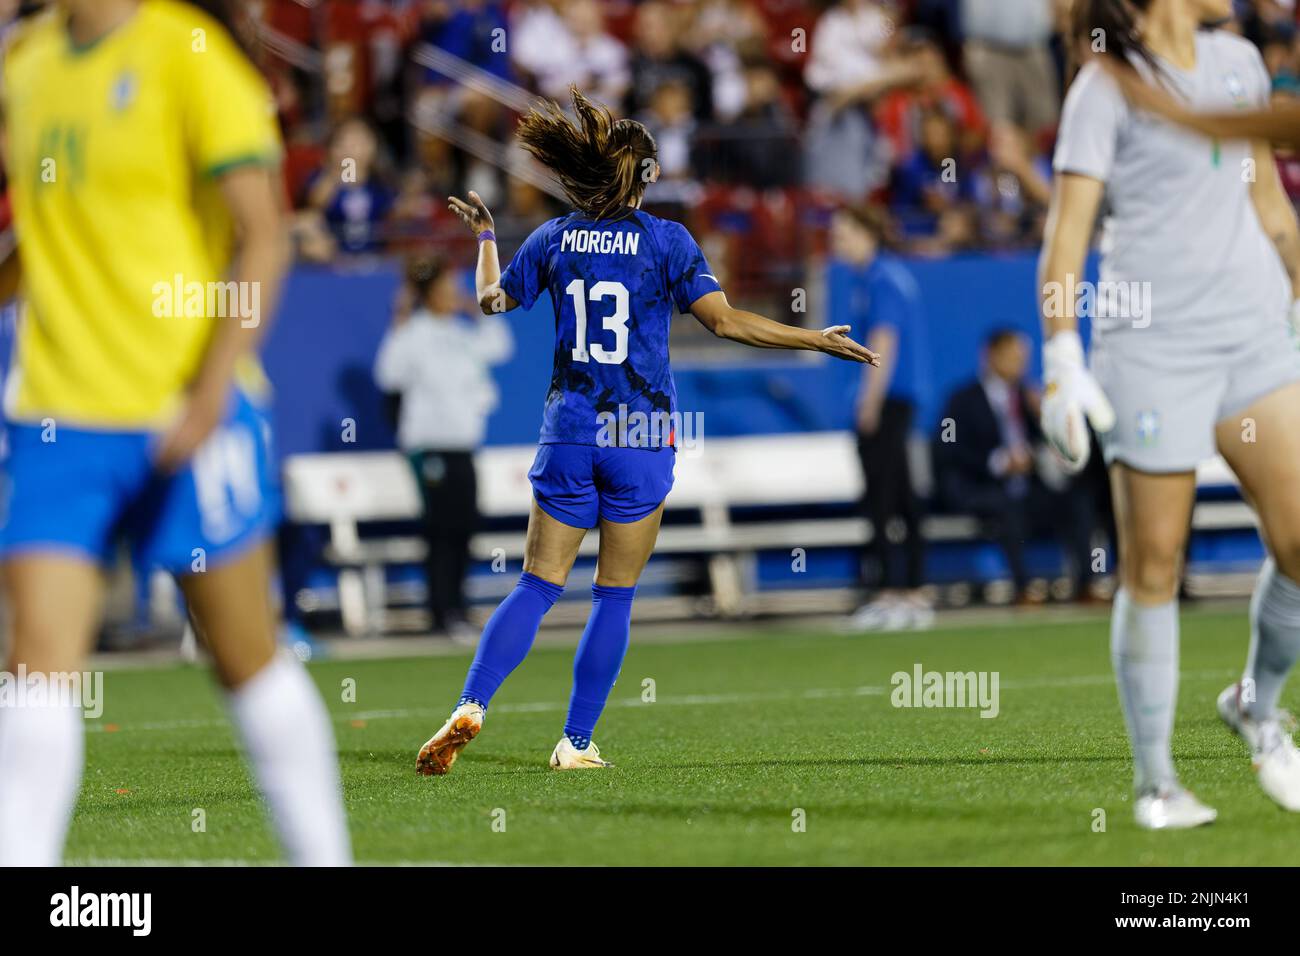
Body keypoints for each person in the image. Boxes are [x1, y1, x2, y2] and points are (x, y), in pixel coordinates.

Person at [416, 86, 879, 775]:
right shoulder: (668, 241)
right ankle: (574, 743)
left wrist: (485, 236)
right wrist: (813, 338)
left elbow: (489, 302)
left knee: (538, 585)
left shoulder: (552, 237)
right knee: (614, 593)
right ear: (645, 176)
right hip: (638, 434)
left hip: (568, 428)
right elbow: (726, 322)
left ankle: (473, 702)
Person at [0, 0, 350, 865]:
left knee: (247, 660)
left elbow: (264, 238)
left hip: (189, 410)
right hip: (60, 413)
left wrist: (209, 393)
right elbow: (44, 237)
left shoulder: (193, 59)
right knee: (36, 668)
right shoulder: (26, 67)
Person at [1041, 0, 1300, 829]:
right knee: (1154, 560)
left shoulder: (1240, 61)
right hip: (1152, 349)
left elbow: (1266, 203)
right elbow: (1067, 234)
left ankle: (1257, 704)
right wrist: (1061, 355)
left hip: (1258, 337)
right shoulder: (1101, 87)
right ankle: (1157, 783)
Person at [374, 257, 513, 638]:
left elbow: (500, 346)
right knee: (440, 528)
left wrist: (478, 308)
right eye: (446, 288)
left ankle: (458, 608)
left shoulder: (462, 334)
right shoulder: (413, 334)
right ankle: (440, 612)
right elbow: (387, 373)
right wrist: (399, 320)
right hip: (429, 447)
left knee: (465, 527)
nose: (453, 295)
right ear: (428, 293)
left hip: (463, 445)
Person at [932, 329, 1096, 604]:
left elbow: (1051, 447)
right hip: (979, 488)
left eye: (1023, 357)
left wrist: (1044, 415)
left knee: (1076, 502)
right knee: (1006, 507)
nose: (1020, 364)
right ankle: (1025, 589)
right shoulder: (962, 400)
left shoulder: (1029, 398)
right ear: (991, 356)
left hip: (1027, 488)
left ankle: (1086, 586)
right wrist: (999, 462)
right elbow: (948, 450)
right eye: (1013, 356)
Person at [830, 207, 934, 632]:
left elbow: (883, 342)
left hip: (888, 400)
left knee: (883, 499)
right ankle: (911, 591)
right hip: (898, 400)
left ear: (866, 230)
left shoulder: (880, 279)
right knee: (902, 497)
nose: (838, 242)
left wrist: (869, 401)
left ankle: (892, 594)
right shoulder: (884, 276)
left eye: (844, 232)